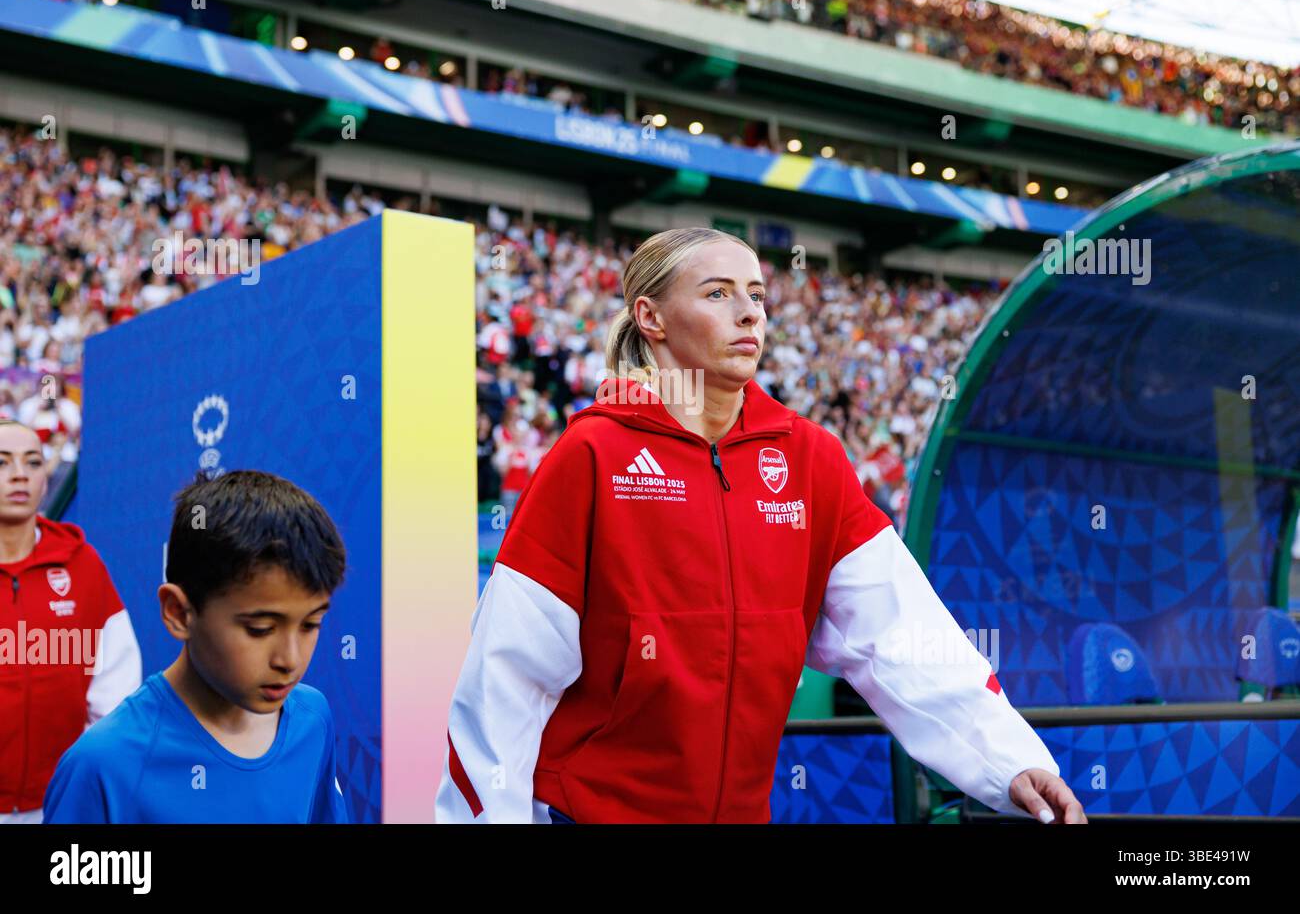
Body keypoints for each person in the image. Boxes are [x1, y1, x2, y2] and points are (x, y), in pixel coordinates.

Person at [437, 227, 1085, 824]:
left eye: (757, 294)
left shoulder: (812, 459)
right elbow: (504, 680)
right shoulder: (591, 456)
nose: (749, 312)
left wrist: (1009, 761)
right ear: (650, 316)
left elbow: (901, 633)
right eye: (718, 294)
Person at [42, 470, 351, 823]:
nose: (290, 659)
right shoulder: (102, 766)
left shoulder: (312, 719)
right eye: (260, 629)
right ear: (178, 612)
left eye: (311, 624)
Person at [0, 420, 141, 823]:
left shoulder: (82, 565)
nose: (20, 474)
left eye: (33, 462)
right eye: (2, 462)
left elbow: (114, 689)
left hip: (61, 802)